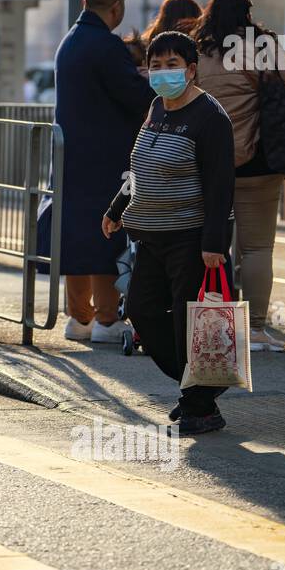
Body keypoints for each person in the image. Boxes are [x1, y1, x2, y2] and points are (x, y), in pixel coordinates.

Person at [103, 31, 237, 434]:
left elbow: (220, 186)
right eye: (155, 65)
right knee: (142, 311)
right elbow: (140, 166)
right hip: (152, 236)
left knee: (186, 321)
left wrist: (215, 243)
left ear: (191, 70)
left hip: (190, 239)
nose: (162, 73)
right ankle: (199, 389)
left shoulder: (209, 117)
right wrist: (118, 207)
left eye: (172, 65)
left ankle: (200, 406)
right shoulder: (156, 108)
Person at [193, 0, 285, 352]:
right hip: (259, 162)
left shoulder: (198, 52)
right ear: (247, 14)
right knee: (258, 248)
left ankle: (214, 327)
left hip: (211, 164)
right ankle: (256, 329)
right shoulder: (261, 47)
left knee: (213, 245)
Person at [53, 0, 155, 343]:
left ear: (84, 3)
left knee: (77, 238)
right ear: (117, 8)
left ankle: (79, 318)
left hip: (73, 157)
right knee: (106, 236)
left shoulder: (69, 42)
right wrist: (149, 81)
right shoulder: (106, 46)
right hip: (106, 158)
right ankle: (107, 320)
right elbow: (134, 96)